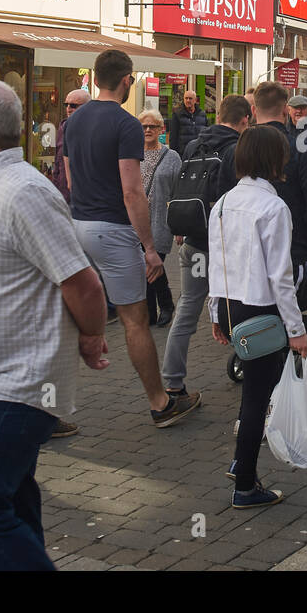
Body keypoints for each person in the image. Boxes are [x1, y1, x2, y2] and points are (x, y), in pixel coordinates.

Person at [0, 78, 108, 570]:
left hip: (10, 384)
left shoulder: (22, 190)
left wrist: (91, 336)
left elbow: (83, 283)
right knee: (11, 502)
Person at [64, 49, 200, 428]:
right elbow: (132, 191)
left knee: (66, 317)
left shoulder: (72, 122)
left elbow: (72, 181)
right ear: (126, 80)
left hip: (78, 225)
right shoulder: (125, 125)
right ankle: (161, 404)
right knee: (135, 321)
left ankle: (47, 408)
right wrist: (149, 248)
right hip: (113, 230)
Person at [208, 125, 307, 508]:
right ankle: (246, 484)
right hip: (264, 308)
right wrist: (297, 329)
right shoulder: (274, 208)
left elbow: (216, 261)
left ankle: (241, 461)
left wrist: (215, 312)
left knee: (253, 391)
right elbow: (280, 276)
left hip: (233, 306)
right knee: (256, 397)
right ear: (275, 159)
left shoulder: (222, 204)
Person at [162, 94, 249, 397]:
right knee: (240, 304)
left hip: (193, 238)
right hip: (223, 242)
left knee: (187, 307)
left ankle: (172, 381)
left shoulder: (193, 144)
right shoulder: (237, 149)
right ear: (245, 120)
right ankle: (249, 365)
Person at [252, 81, 307, 274]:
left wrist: (304, 241)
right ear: (287, 110)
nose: (299, 112)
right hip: (281, 241)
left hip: (284, 240)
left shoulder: (240, 148)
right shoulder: (295, 147)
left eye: (303, 109)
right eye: (296, 109)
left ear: (253, 111)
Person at [137, 109, 181, 329]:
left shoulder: (172, 157)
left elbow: (179, 193)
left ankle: (163, 307)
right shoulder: (133, 154)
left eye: (152, 126)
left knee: (154, 265)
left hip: (160, 220)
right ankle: (156, 310)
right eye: (144, 126)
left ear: (161, 129)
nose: (147, 130)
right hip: (137, 221)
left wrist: (180, 227)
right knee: (146, 267)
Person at [50, 88, 90, 202]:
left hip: (82, 197)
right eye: (66, 104)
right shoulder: (63, 128)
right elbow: (58, 162)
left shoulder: (93, 130)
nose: (68, 108)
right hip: (61, 194)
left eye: (73, 105)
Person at [169, 89, 208, 157]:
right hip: (183, 155)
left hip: (199, 154)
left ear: (195, 100)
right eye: (186, 98)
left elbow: (207, 135)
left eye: (190, 98)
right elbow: (173, 137)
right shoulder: (177, 114)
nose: (188, 100)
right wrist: (174, 156)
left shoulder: (202, 114)